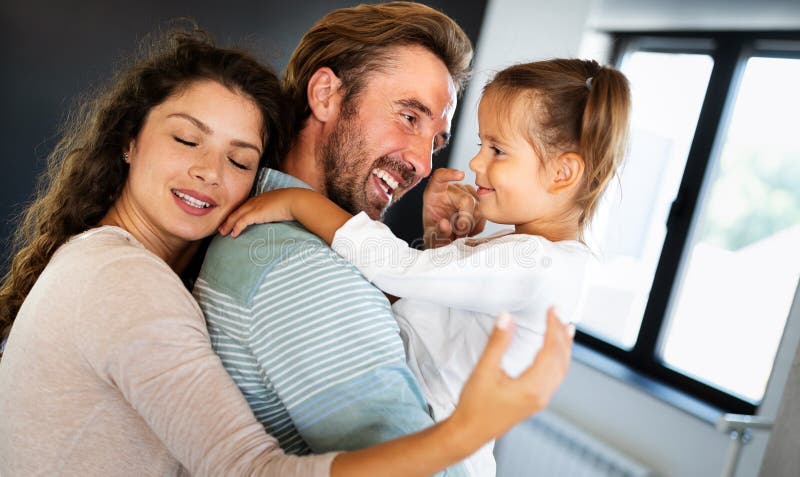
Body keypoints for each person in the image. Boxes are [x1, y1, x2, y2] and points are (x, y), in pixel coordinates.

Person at [0, 28, 574, 477]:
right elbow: (251, 470)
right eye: (407, 115)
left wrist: (435, 255)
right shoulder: (130, 282)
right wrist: (460, 436)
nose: (208, 171)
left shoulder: (153, 258)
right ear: (129, 139)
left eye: (240, 158)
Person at [220, 58, 631, 475]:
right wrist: (440, 244)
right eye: (481, 146)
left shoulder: (536, 262)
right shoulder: (532, 252)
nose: (475, 164)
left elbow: (397, 270)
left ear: (563, 173)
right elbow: (434, 316)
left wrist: (301, 201)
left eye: (498, 150)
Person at [193, 4, 495, 474]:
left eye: (436, 141)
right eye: (409, 117)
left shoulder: (269, 234)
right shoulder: (303, 272)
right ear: (326, 95)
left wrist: (433, 260)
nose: (421, 163)